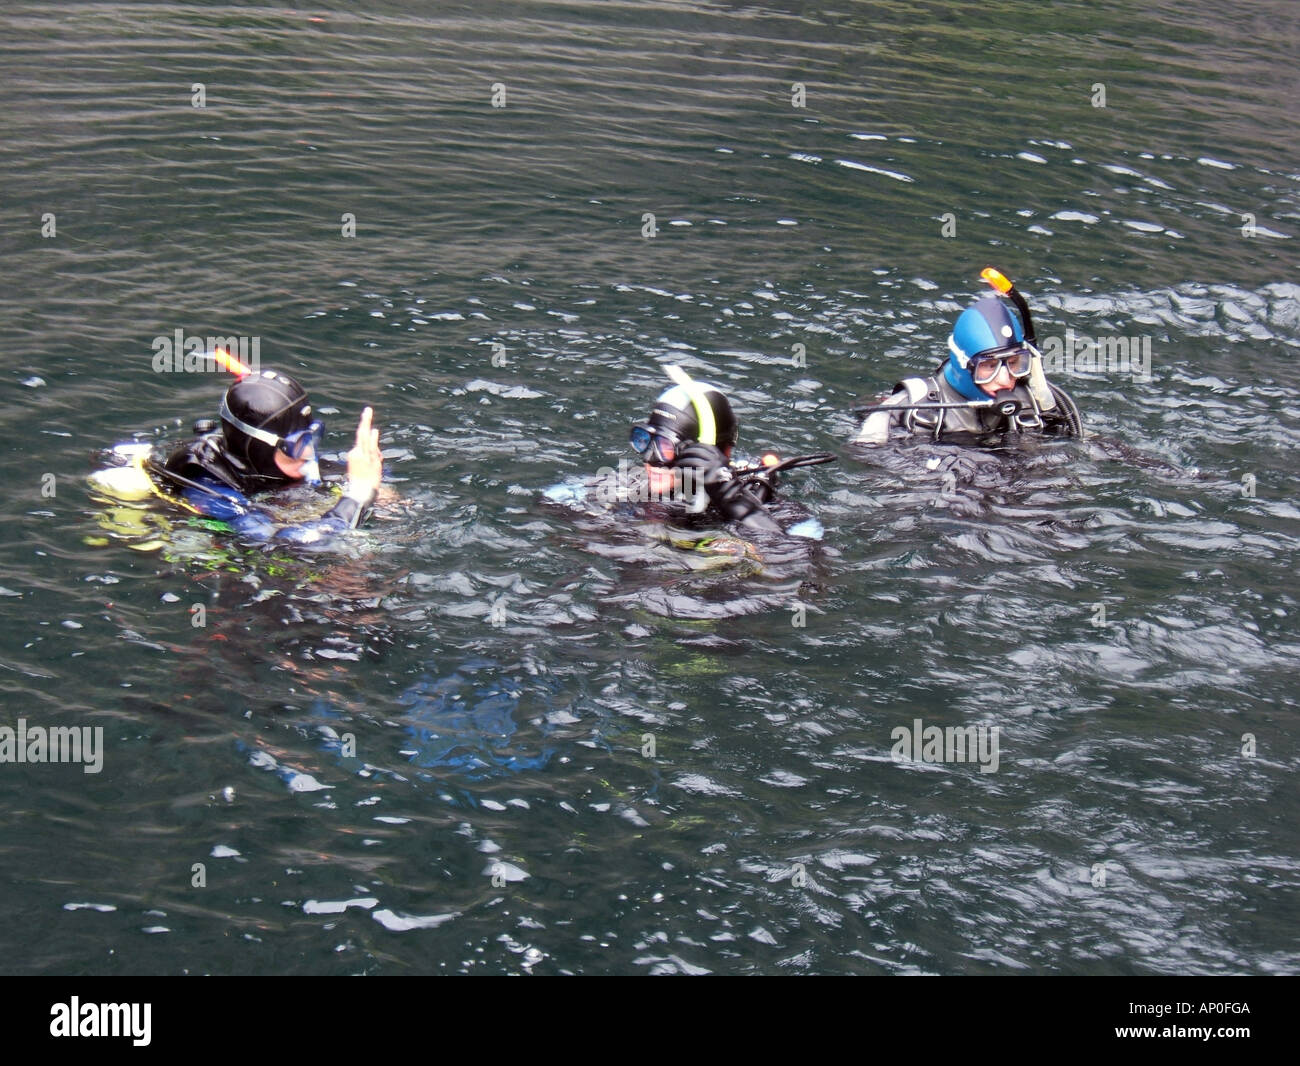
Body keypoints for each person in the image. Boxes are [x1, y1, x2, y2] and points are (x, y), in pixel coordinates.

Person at [91, 350, 383, 545]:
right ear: (257, 449)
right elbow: (280, 542)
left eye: (313, 437)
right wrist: (358, 495)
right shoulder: (207, 485)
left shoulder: (282, 462)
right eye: (296, 446)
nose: (308, 454)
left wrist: (376, 489)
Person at [545, 365, 830, 548]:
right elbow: (551, 499)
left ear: (721, 453)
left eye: (668, 448)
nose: (652, 460)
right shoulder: (631, 486)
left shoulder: (770, 506)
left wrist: (734, 501)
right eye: (646, 441)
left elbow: (805, 567)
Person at [854, 268, 1084, 444]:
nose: (1005, 379)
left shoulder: (1035, 402)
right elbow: (866, 460)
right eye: (990, 366)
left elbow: (1080, 442)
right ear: (963, 364)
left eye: (1014, 363)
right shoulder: (912, 409)